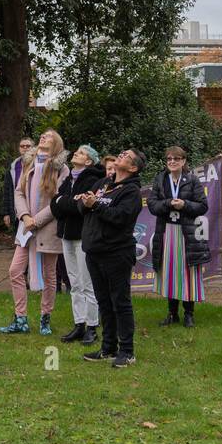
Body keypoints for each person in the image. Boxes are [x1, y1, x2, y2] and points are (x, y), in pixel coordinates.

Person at [79, 148, 146, 368]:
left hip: (116, 252)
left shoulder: (131, 192)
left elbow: (120, 218)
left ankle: (127, 351)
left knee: (120, 302)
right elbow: (82, 206)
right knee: (104, 302)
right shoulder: (103, 184)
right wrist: (86, 201)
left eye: (126, 156)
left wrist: (95, 205)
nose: (121, 156)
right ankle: (108, 348)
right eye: (122, 153)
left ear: (133, 167)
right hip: (94, 251)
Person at [0, 129, 69, 335]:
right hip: (26, 227)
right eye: (43, 135)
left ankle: (45, 318)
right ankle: (21, 319)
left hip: (48, 228)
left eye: (49, 136)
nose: (43, 137)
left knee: (49, 275)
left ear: (56, 143)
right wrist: (25, 216)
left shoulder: (61, 169)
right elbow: (18, 192)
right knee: (15, 271)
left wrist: (36, 221)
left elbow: (58, 201)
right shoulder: (29, 162)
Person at [50, 143, 105, 344]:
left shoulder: (93, 179)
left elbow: (81, 206)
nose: (77, 154)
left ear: (89, 161)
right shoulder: (68, 178)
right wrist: (66, 202)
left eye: (81, 153)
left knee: (87, 282)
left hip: (83, 235)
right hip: (66, 234)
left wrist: (64, 202)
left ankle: (92, 326)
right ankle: (79, 323)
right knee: (74, 282)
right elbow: (54, 203)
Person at [148, 146, 209, 327]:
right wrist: (168, 203)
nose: (172, 162)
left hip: (186, 233)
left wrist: (185, 205)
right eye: (169, 159)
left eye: (176, 158)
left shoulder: (192, 180)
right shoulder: (160, 179)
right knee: (169, 273)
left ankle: (189, 314)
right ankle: (172, 313)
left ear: (183, 161)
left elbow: (203, 206)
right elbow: (152, 205)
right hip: (166, 232)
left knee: (187, 273)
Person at [1, 137, 36, 230]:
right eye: (22, 146)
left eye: (28, 146)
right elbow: (7, 191)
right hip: (18, 211)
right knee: (20, 243)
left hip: (35, 210)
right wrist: (6, 213)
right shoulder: (13, 166)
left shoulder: (39, 164)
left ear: (33, 147)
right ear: (19, 148)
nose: (25, 148)